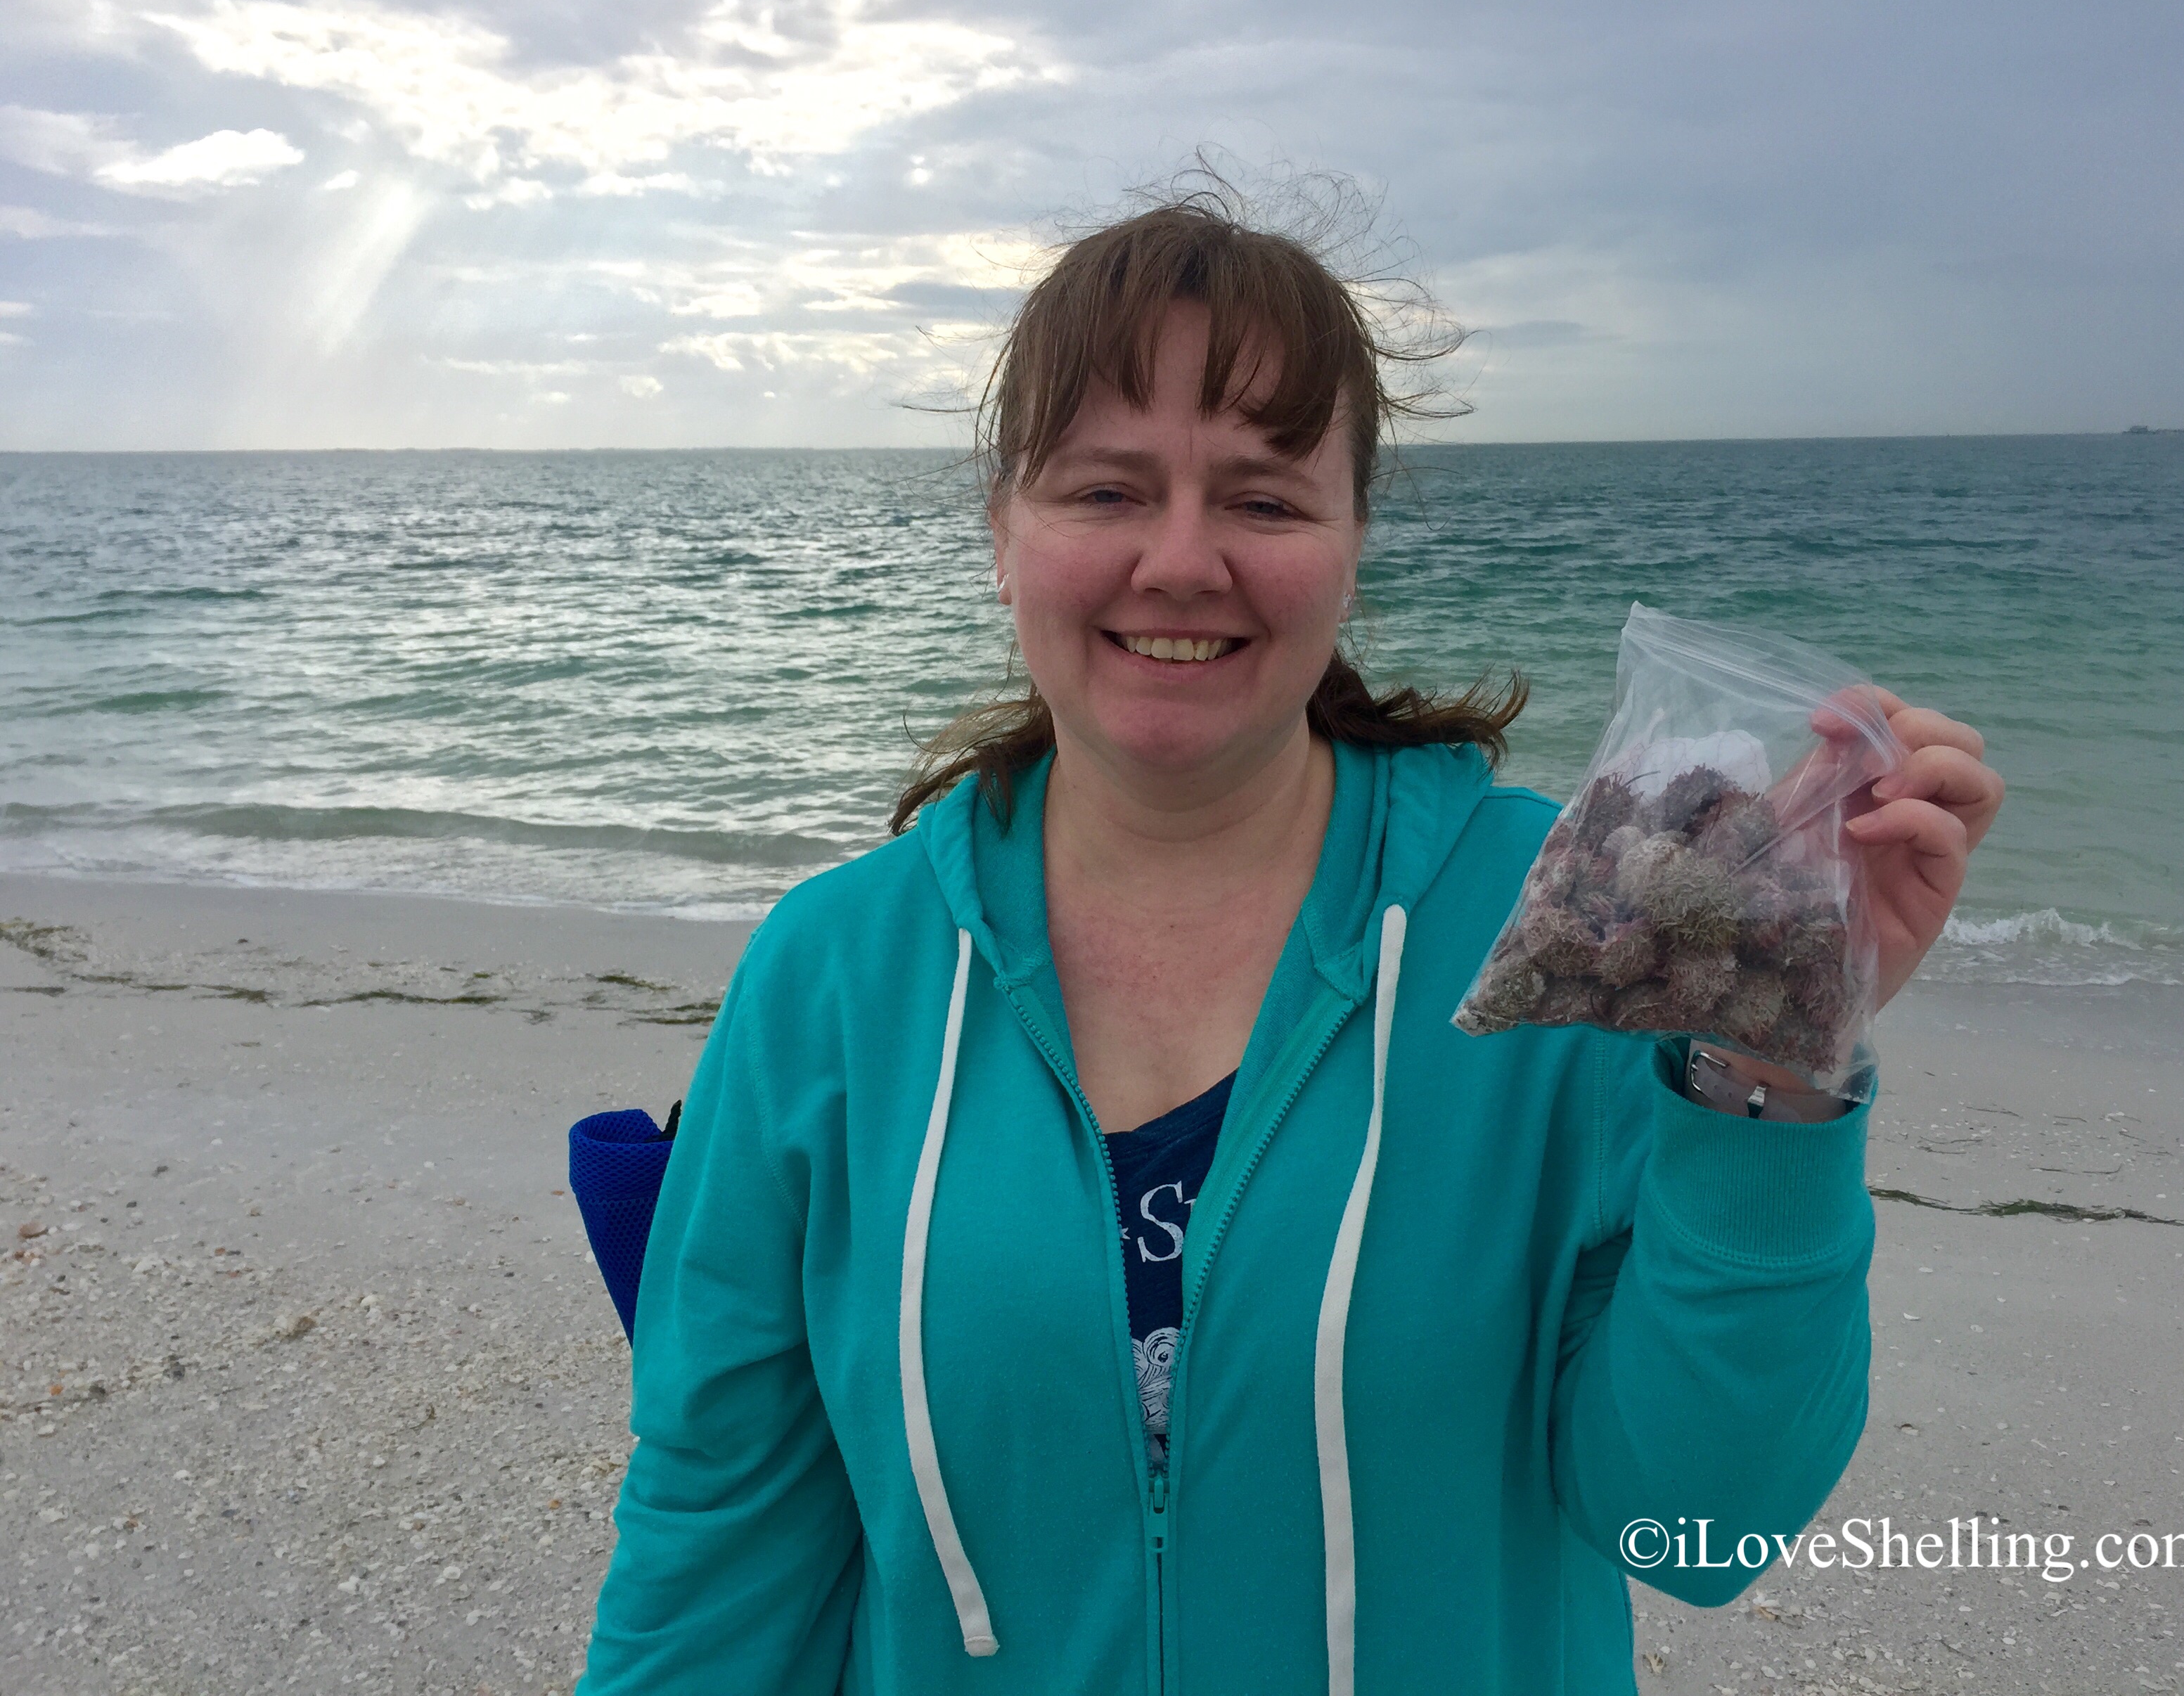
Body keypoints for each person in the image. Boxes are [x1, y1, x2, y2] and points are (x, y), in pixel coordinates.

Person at [577, 188, 2005, 1696]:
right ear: (1004, 532)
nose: (1183, 562)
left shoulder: (1565, 930)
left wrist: (1775, 1057)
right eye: (1108, 491)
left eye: (1263, 498)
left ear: (1350, 546)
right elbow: (720, 1526)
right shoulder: (834, 977)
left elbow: (1696, 1526)